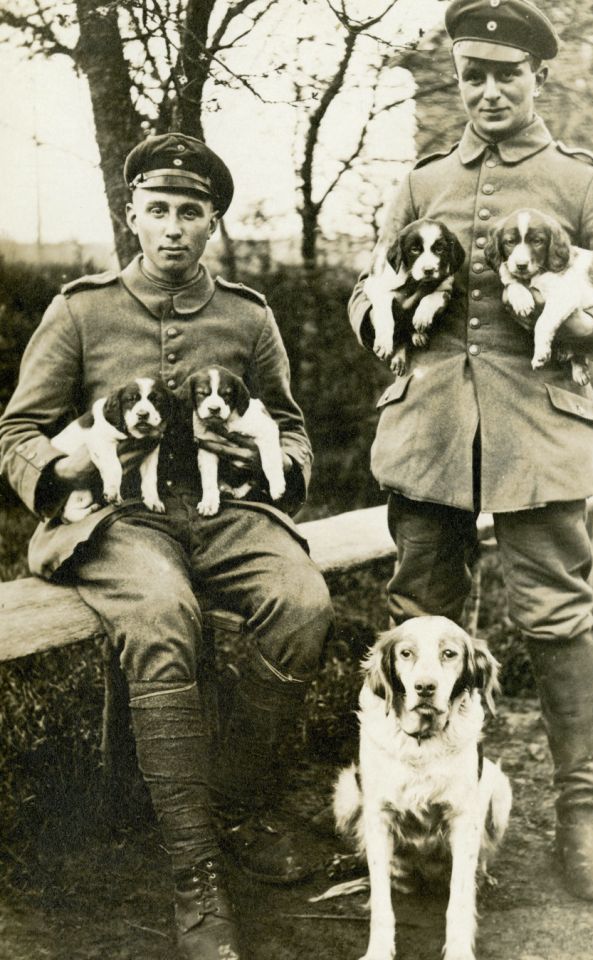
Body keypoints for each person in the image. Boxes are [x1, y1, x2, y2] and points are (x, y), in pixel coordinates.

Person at [349, 0, 593, 903]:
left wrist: (584, 330)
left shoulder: (579, 182)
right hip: (428, 435)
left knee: (557, 623)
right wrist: (374, 320)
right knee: (418, 616)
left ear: (540, 78)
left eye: (507, 75)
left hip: (541, 433)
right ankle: (407, 810)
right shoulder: (420, 181)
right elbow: (370, 280)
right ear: (458, 82)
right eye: (473, 76)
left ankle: (582, 816)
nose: (488, 92)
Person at [0, 132, 333, 960]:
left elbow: (290, 430)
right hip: (118, 518)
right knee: (161, 613)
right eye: (158, 210)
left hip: (223, 512)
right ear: (132, 216)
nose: (174, 228)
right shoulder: (81, 308)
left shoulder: (247, 316)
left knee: (303, 603)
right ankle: (194, 868)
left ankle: (235, 804)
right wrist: (60, 471)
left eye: (192, 212)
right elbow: (16, 431)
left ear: (213, 222)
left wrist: (272, 465)